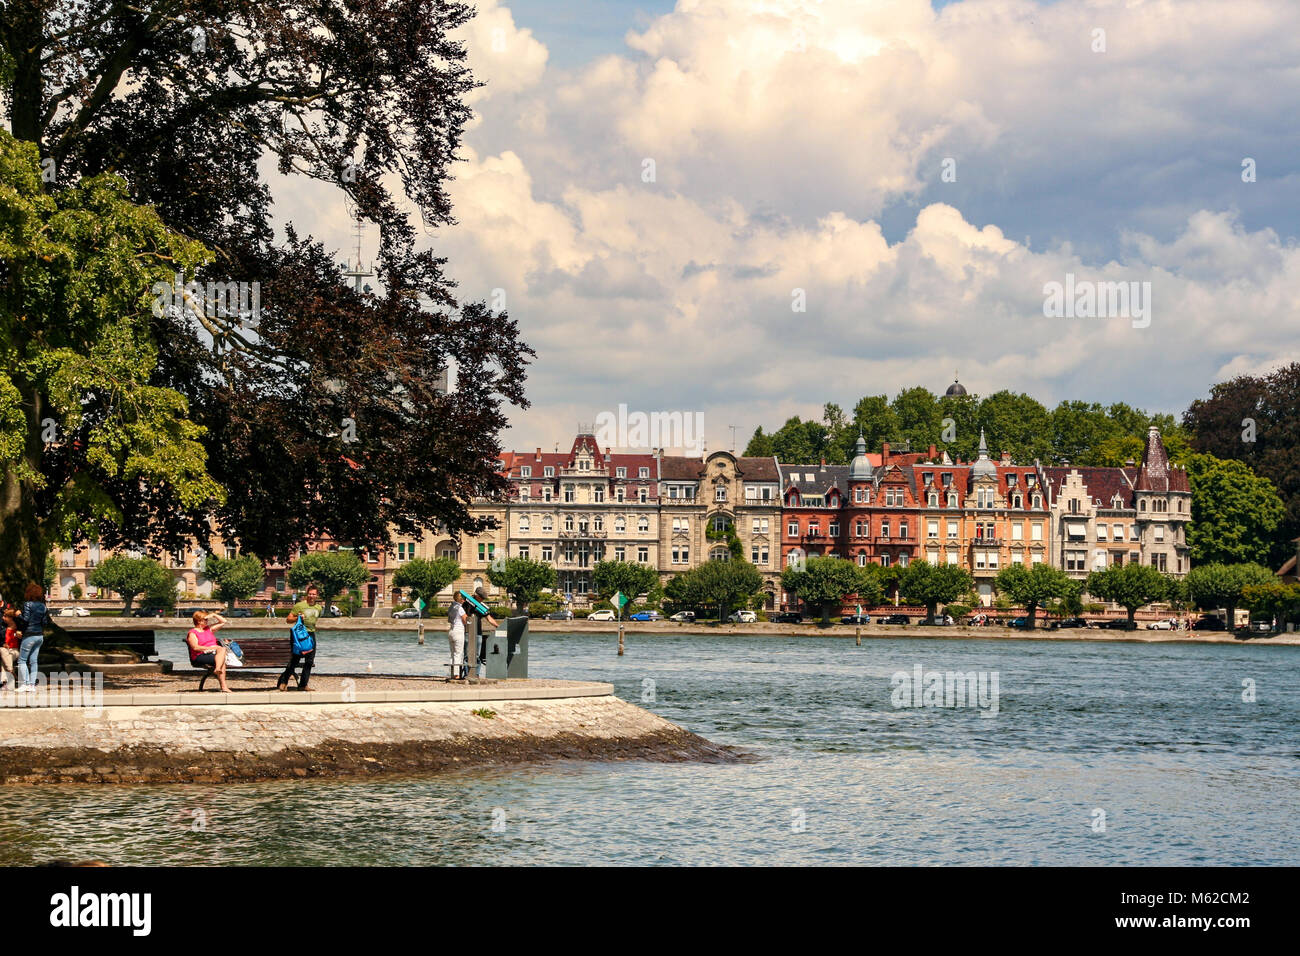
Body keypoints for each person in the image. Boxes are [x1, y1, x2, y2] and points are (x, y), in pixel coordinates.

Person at [279, 584, 321, 691]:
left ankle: (303, 685)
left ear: (317, 595)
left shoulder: (318, 608)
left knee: (309, 661)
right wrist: (298, 617)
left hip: (311, 635)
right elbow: (288, 619)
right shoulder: (300, 606)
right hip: (299, 635)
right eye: (310, 593)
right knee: (295, 660)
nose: (311, 596)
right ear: (307, 594)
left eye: (314, 594)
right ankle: (283, 681)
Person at [15, 583, 51, 693]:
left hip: (29, 636)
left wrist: (18, 615)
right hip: (39, 636)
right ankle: (32, 685)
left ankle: (25, 683)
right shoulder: (43, 606)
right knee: (34, 661)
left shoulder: (27, 604)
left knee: (22, 660)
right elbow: (45, 622)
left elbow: (25, 619)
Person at [186, 610, 231, 692]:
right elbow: (195, 647)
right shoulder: (192, 633)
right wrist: (212, 648)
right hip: (200, 655)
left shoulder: (208, 629)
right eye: (205, 619)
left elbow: (223, 621)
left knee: (222, 654)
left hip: (213, 653)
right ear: (199, 621)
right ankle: (223, 685)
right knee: (221, 655)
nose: (207, 621)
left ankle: (218, 670)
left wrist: (214, 615)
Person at [467, 586, 499, 678]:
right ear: (476, 595)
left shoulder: (481, 606)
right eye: (481, 598)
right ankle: (467, 673)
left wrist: (498, 626)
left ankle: (476, 674)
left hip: (478, 632)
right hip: (468, 632)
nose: (482, 600)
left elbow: (489, 618)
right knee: (467, 654)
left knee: (478, 655)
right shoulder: (467, 603)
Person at [447, 592, 467, 681]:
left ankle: (452, 673)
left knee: (452, 654)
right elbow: (465, 620)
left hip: (451, 631)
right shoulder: (460, 608)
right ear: (461, 599)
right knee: (458, 654)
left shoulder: (451, 607)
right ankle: (456, 675)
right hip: (459, 632)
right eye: (464, 598)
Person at [1, 607, 21, 691]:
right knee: (3, 652)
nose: (3, 618)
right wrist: (3, 644)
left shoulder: (18, 629)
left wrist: (19, 636)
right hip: (5, 651)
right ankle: (10, 672)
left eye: (5, 616)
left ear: (11, 618)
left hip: (15, 651)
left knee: (3, 655)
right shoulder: (3, 629)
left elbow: (21, 639)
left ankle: (6, 679)